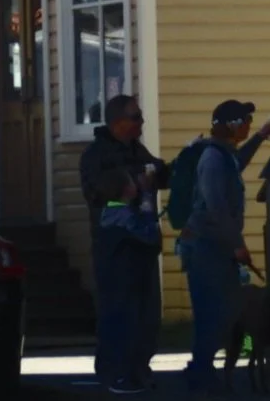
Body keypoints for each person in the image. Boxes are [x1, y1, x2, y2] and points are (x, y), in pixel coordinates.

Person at [180, 100, 270, 395]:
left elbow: (240, 162)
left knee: (229, 312)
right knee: (211, 312)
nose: (249, 124)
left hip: (217, 246)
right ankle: (201, 374)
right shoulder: (212, 159)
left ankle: (218, 368)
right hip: (205, 247)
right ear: (233, 125)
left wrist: (261, 137)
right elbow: (216, 207)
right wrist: (237, 246)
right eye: (246, 121)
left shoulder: (225, 156)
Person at [79, 94, 167, 389]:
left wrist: (175, 167)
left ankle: (138, 369)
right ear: (118, 122)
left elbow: (160, 172)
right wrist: (135, 180)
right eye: (136, 117)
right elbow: (100, 192)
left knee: (146, 313)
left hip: (142, 242)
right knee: (119, 310)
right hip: (115, 246)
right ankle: (114, 372)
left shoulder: (136, 150)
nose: (142, 122)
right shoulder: (96, 155)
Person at [93, 167, 160, 396]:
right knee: (131, 327)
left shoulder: (107, 214)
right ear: (126, 189)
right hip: (130, 280)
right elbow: (151, 237)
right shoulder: (126, 217)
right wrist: (148, 196)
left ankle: (113, 372)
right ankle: (124, 376)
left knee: (116, 325)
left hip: (114, 281)